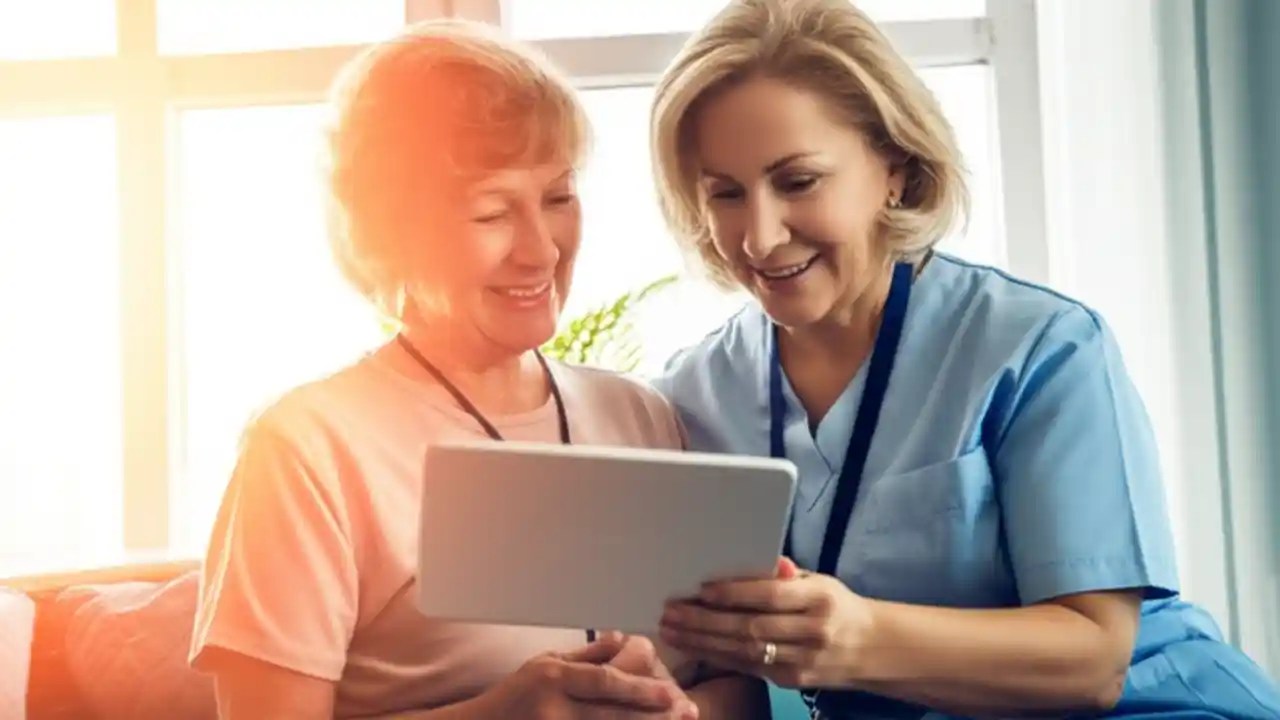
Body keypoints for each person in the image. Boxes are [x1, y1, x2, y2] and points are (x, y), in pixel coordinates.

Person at [647, 1, 1280, 718]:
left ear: (895, 168)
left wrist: (864, 639)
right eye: (725, 194)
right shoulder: (689, 397)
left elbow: (1095, 660)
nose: (759, 238)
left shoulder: (1041, 348)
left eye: (798, 182)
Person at [187, 19, 768, 720]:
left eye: (558, 197)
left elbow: (740, 690)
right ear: (386, 232)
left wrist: (673, 709)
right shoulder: (310, 449)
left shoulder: (639, 415)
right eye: (491, 212)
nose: (541, 251)